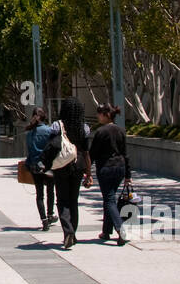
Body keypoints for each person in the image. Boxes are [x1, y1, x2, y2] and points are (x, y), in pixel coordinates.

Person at [48, 97, 91, 249]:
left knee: (62, 200)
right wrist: (89, 173)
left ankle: (68, 231)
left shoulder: (57, 126)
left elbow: (51, 146)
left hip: (61, 166)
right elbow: (86, 152)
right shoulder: (84, 128)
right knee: (73, 200)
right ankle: (74, 232)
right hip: (78, 166)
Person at [91, 104, 131, 245]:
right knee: (110, 198)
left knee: (109, 199)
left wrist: (87, 171)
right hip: (119, 167)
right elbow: (126, 154)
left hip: (106, 168)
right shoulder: (120, 131)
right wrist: (128, 175)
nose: (97, 116)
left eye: (99, 113)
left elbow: (92, 153)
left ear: (106, 114)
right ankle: (106, 231)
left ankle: (121, 229)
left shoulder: (101, 132)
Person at [24, 107, 57, 231]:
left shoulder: (29, 133)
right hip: (48, 165)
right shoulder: (50, 131)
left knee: (39, 194)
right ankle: (50, 214)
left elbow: (29, 150)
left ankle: (43, 220)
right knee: (50, 190)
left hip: (34, 165)